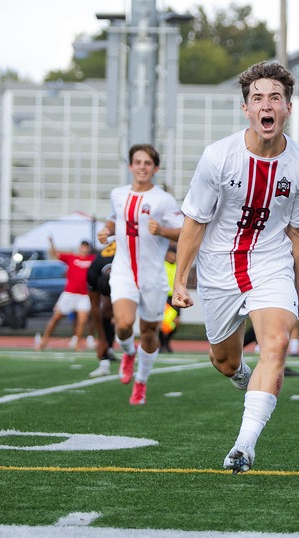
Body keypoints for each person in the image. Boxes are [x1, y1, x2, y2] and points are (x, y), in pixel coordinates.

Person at [172, 61, 299, 473]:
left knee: (277, 343)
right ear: (246, 110)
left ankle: (244, 445)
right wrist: (181, 281)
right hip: (219, 269)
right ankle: (240, 375)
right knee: (224, 361)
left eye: (275, 97)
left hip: (271, 264)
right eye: (258, 98)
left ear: (288, 107)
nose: (266, 105)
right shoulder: (218, 157)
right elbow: (195, 221)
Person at [99, 144, 183, 405]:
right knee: (123, 324)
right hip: (123, 271)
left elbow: (184, 231)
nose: (142, 167)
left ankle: (141, 382)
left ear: (155, 168)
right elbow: (115, 219)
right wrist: (106, 230)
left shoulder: (164, 200)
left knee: (148, 332)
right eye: (138, 162)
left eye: (148, 163)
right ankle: (127, 353)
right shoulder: (118, 194)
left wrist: (163, 232)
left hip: (153, 276)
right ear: (131, 166)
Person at [36, 238, 94, 352]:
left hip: (83, 295)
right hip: (69, 294)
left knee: (82, 320)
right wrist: (52, 242)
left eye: (86, 246)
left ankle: (77, 344)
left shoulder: (92, 259)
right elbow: (55, 254)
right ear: (80, 247)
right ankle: (44, 341)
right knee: (56, 317)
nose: (84, 248)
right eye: (83, 246)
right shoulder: (72, 257)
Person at [86, 240, 116, 377]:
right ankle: (106, 354)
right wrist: (101, 338)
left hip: (131, 267)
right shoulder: (93, 273)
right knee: (105, 314)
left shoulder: (128, 266)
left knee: (121, 318)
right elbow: (95, 308)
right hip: (104, 271)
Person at [158, 246, 180, 353]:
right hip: (164, 297)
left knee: (175, 323)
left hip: (176, 297)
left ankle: (167, 342)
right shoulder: (162, 266)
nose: (173, 257)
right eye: (171, 254)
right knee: (164, 323)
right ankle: (162, 344)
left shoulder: (179, 267)